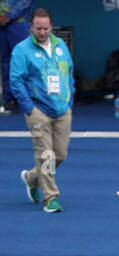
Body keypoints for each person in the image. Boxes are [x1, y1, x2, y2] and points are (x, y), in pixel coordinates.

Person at [11, 8, 71, 213]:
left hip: (62, 108)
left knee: (59, 155)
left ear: (51, 27)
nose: (42, 32)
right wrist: (29, 108)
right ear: (31, 27)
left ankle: (32, 178)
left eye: (46, 28)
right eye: (38, 28)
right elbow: (16, 81)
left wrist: (70, 97)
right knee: (46, 154)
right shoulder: (21, 50)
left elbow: (69, 73)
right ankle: (51, 198)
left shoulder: (61, 45)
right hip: (38, 110)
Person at [0, 0, 33, 112]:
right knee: (4, 61)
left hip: (19, 23)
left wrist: (8, 16)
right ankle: (7, 98)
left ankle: (24, 97)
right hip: (1, 23)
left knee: (22, 60)